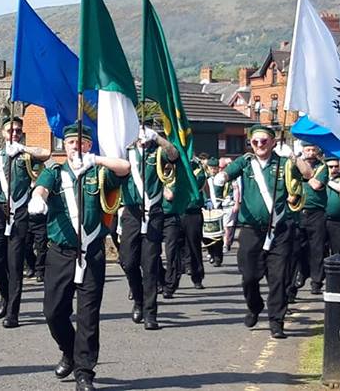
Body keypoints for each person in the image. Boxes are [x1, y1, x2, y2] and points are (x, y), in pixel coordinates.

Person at [28, 123, 130, 391]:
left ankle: (84, 371)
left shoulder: (98, 173)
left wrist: (96, 160)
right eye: (71, 142)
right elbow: (42, 188)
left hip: (92, 251)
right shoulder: (55, 172)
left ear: (88, 146)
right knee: (53, 311)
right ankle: (69, 350)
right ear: (65, 146)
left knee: (88, 315)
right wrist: (38, 198)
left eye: (82, 143)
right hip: (60, 253)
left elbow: (125, 168)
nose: (76, 146)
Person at [213, 125, 312, 339]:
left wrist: (294, 157)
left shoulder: (284, 163)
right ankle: (254, 305)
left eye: (264, 141)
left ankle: (276, 320)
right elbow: (227, 174)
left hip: (280, 230)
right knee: (249, 276)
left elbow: (308, 174)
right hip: (251, 230)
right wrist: (221, 178)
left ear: (273, 142)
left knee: (279, 278)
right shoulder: (246, 163)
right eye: (255, 141)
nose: (259, 145)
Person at [0, 116, 50, 328]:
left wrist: (23, 148)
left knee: (14, 264)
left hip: (20, 212)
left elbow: (46, 154)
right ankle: (4, 295)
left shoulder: (26, 156)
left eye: (18, 131)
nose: (14, 133)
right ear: (3, 134)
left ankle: (13, 312)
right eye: (10, 131)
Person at [119, 127, 178, 330]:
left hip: (153, 212)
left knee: (150, 263)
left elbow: (174, 155)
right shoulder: (124, 152)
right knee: (127, 261)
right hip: (132, 213)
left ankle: (151, 313)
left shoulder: (157, 152)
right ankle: (138, 299)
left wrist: (158, 138)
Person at [162, 154, 208, 297]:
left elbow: (197, 183)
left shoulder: (195, 167)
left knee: (193, 245)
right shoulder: (165, 165)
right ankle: (171, 282)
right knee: (173, 248)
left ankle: (197, 276)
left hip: (191, 211)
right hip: (173, 213)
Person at [296, 142, 329, 295]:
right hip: (299, 211)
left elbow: (316, 184)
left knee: (317, 248)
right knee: (299, 248)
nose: (310, 152)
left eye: (313, 150)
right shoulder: (296, 165)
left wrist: (304, 174)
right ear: (303, 150)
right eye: (307, 150)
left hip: (316, 213)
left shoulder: (322, 167)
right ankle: (301, 274)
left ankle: (316, 281)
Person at [206, 157, 234, 266]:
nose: (213, 170)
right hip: (207, 208)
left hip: (219, 208)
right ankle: (211, 253)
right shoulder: (205, 179)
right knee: (207, 234)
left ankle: (218, 257)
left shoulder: (222, 179)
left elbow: (228, 191)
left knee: (218, 233)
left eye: (215, 168)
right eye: (211, 168)